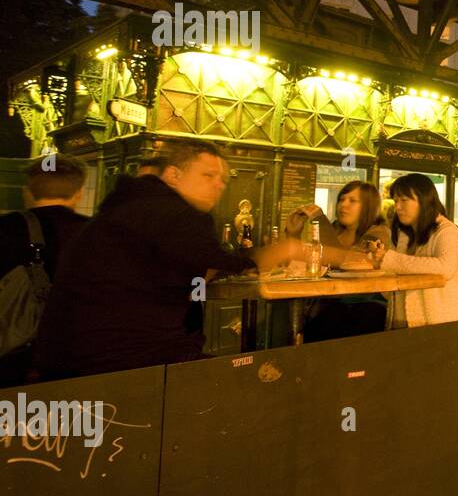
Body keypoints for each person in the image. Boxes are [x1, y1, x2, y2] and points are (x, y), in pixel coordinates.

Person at [34, 140, 297, 378]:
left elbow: (193, 267)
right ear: (173, 175)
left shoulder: (129, 206)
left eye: (222, 179)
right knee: (258, 381)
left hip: (65, 357)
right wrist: (277, 253)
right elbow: (229, 262)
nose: (219, 185)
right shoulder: (173, 211)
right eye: (208, 175)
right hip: (123, 360)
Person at [0, 154, 92, 381]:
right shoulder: (98, 233)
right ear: (78, 194)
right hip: (77, 358)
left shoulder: (5, 229)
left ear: (28, 192)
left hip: (11, 360)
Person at [284, 181, 391, 342]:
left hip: (363, 311)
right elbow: (302, 265)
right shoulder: (335, 230)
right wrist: (294, 234)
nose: (344, 205)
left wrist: (320, 220)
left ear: (369, 205)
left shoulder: (378, 232)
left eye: (352, 201)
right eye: (342, 199)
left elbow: (353, 262)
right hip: (327, 308)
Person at [369, 173, 458, 326]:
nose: (398, 206)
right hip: (402, 323)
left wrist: (389, 259)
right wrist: (378, 264)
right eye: (395, 200)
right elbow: (392, 283)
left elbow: (445, 268)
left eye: (404, 200)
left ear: (424, 199)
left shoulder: (447, 231)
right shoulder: (401, 235)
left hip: (443, 324)